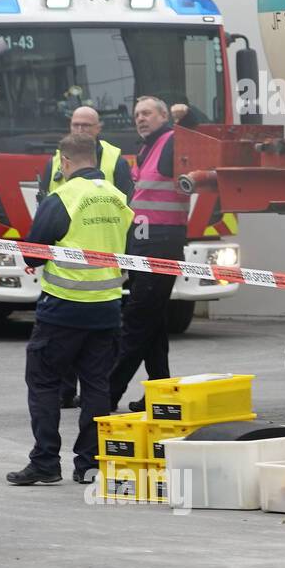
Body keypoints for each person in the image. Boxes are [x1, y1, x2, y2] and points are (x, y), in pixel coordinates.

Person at [9, 134, 133, 485]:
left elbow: (33, 253)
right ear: (95, 158)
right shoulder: (119, 199)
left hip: (62, 309)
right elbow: (131, 250)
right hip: (107, 308)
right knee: (96, 387)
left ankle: (46, 462)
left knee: (44, 383)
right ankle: (89, 464)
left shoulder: (62, 197)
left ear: (64, 162)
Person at [38, 105, 132, 409]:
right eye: (75, 124)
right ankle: (70, 400)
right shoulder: (54, 158)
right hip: (73, 280)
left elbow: (127, 209)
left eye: (86, 125)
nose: (80, 130)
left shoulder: (115, 159)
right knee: (90, 370)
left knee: (72, 366)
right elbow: (44, 200)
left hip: (92, 284)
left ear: (98, 128)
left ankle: (58, 454)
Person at [109, 96, 190, 412]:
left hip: (161, 244)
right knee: (152, 325)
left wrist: (188, 115)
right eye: (137, 114)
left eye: (147, 113)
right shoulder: (148, 147)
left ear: (164, 116)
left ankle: (108, 391)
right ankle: (162, 393)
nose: (140, 119)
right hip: (145, 244)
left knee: (137, 320)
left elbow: (194, 135)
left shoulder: (172, 140)